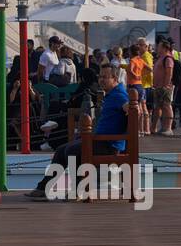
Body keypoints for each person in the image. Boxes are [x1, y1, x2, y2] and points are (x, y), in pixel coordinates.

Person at [26, 63, 130, 199]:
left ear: (115, 78)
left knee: (72, 150)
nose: (101, 80)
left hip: (109, 145)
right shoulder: (111, 94)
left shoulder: (119, 95)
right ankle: (43, 188)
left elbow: (128, 105)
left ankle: (78, 190)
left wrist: (132, 109)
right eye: (100, 77)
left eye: (105, 77)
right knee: (61, 150)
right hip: (100, 141)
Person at [152, 38, 175, 136]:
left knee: (166, 106)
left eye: (159, 47)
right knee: (159, 106)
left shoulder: (168, 59)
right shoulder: (160, 58)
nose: (157, 48)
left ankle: (168, 128)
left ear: (165, 48)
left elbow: (169, 73)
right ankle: (161, 127)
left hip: (165, 87)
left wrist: (165, 85)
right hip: (158, 87)